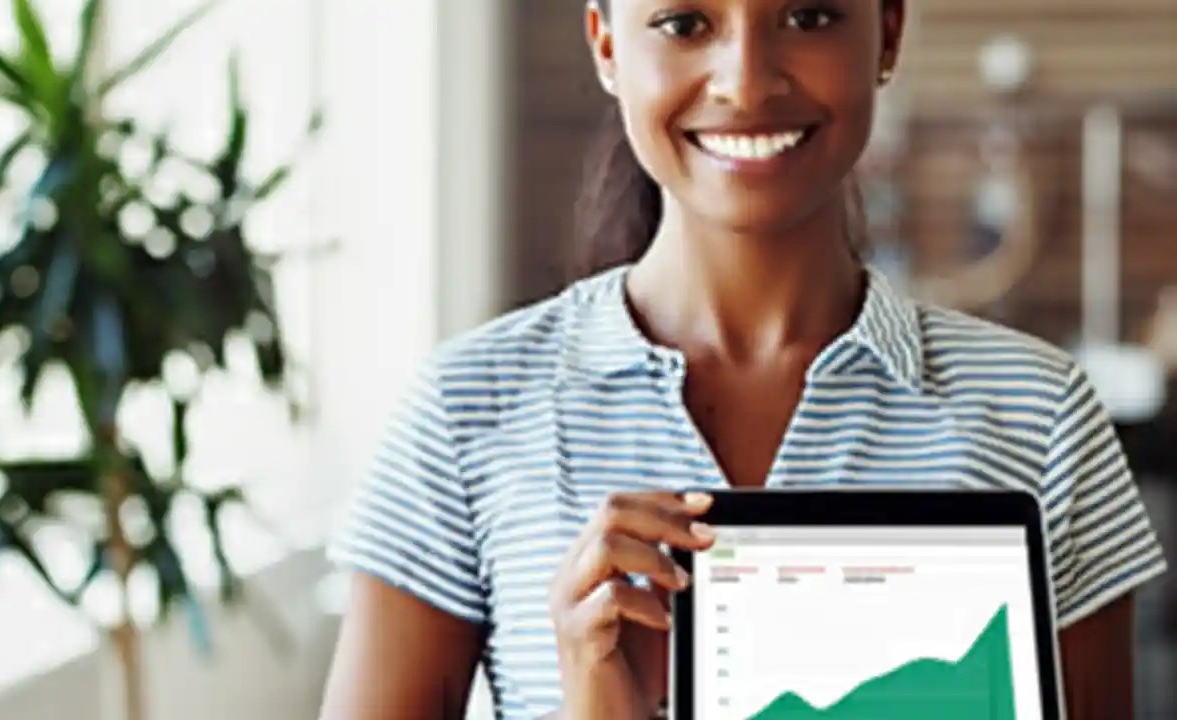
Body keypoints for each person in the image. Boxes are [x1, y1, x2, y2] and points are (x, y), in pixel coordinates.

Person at [318, 1, 1168, 718]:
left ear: (888, 34)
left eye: (808, 15)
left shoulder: (1042, 410)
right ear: (607, 44)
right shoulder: (469, 406)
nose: (747, 81)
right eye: (686, 22)